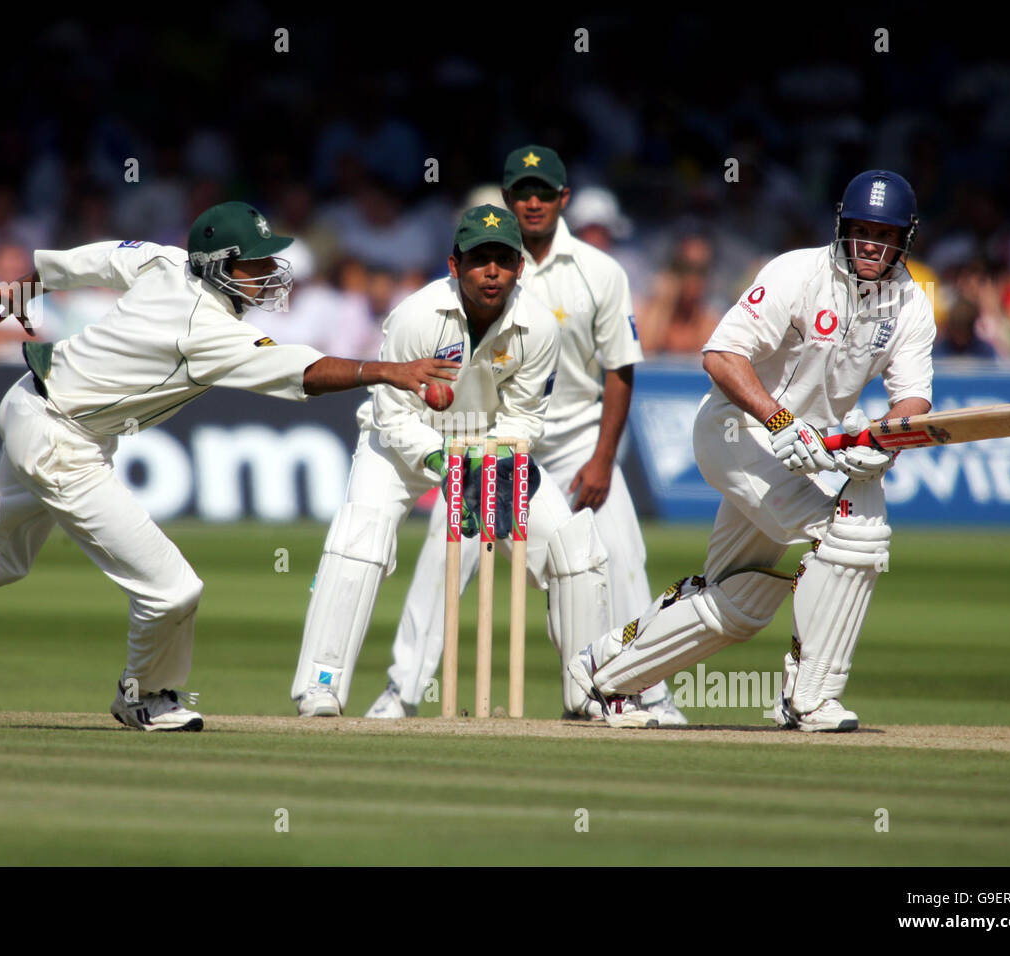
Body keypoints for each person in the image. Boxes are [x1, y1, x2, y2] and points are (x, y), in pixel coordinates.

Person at [0, 201, 456, 732]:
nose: (271, 274)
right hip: (61, 438)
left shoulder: (168, 263)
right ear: (222, 266)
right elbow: (306, 370)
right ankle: (148, 696)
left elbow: (103, 256)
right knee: (173, 589)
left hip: (35, 406)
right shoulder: (207, 329)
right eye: (257, 265)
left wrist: (36, 276)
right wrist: (391, 370)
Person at [567, 170, 937, 732]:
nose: (869, 245)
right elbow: (720, 355)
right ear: (841, 226)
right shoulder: (798, 273)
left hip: (811, 451)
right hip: (738, 432)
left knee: (735, 606)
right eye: (860, 230)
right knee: (855, 529)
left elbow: (911, 399)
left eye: (883, 235)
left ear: (904, 238)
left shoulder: (910, 304)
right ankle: (810, 698)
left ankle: (601, 673)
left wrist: (885, 443)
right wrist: (780, 421)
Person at [366, 147, 683, 725]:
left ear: (563, 199)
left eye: (544, 193)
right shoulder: (488, 261)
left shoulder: (600, 271)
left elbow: (620, 370)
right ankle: (402, 690)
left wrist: (603, 459)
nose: (533, 202)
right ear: (506, 201)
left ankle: (643, 693)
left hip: (576, 441)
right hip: (487, 440)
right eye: (522, 193)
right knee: (447, 552)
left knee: (620, 562)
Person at [292, 204, 642, 724]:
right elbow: (392, 412)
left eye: (504, 259)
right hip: (401, 446)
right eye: (480, 260)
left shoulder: (539, 327)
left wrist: (485, 466)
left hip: (489, 447)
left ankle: (591, 690)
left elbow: (525, 418)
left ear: (520, 268)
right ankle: (321, 685)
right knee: (359, 538)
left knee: (576, 545)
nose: (493, 271)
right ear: (455, 266)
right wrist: (442, 462)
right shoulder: (417, 314)